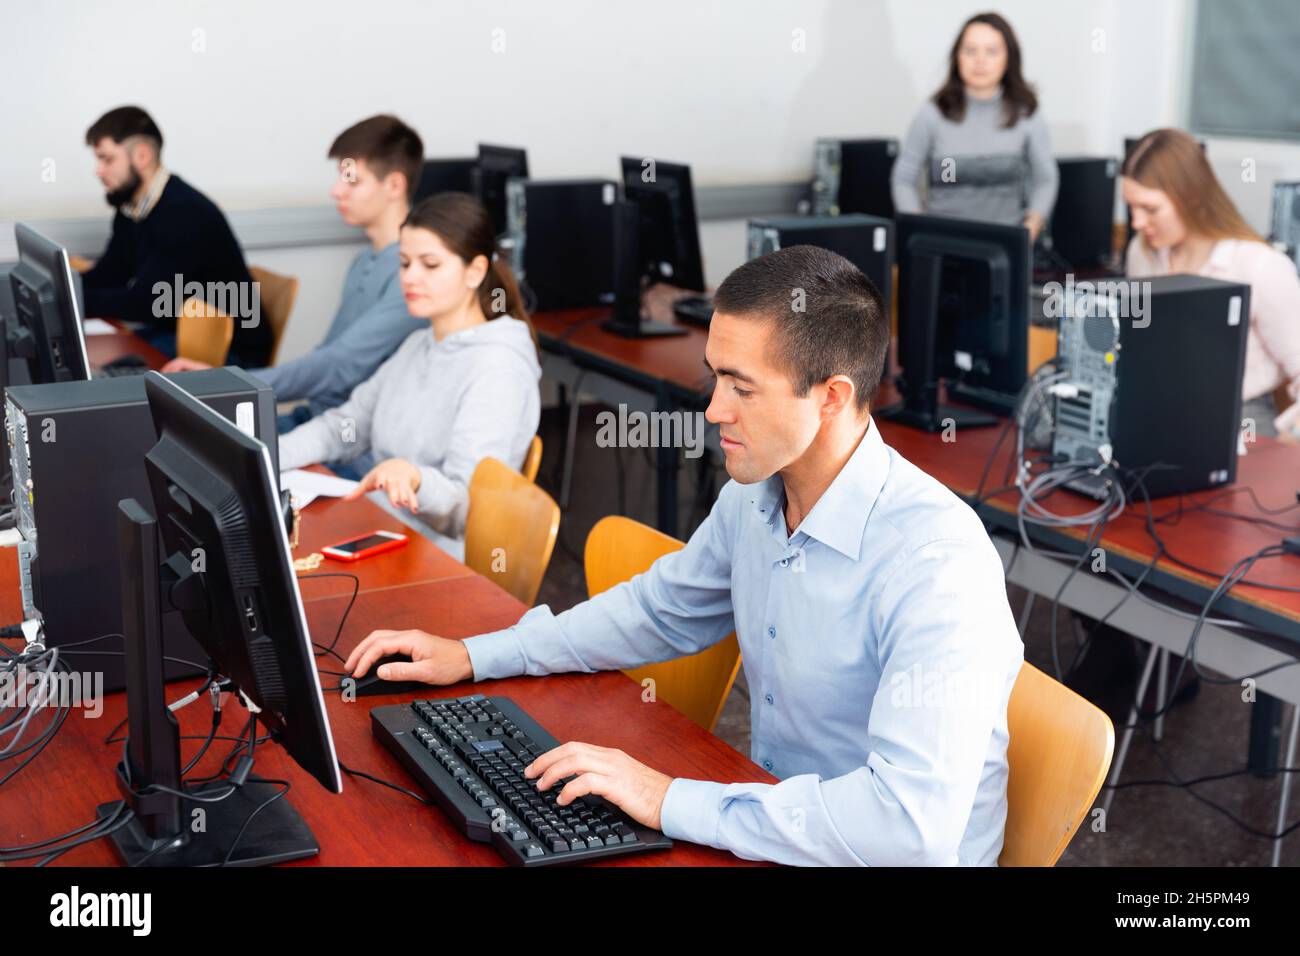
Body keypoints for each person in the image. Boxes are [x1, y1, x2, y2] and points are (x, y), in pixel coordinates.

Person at [344, 245, 1025, 866]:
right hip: (775, 825)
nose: (711, 411)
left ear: (832, 398)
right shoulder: (759, 495)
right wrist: (476, 656)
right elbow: (658, 611)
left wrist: (671, 798)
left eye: (741, 386)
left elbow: (908, 827)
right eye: (714, 378)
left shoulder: (937, 564)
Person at [277, 192, 541, 539]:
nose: (410, 278)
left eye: (430, 265)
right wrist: (268, 458)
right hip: (387, 525)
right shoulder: (419, 344)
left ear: (475, 271)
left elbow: (469, 509)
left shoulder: (498, 369)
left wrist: (415, 478)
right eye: (404, 263)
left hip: (440, 557)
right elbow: (347, 428)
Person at [164, 115, 425, 433]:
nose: (336, 191)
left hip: (347, 436)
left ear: (394, 185)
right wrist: (224, 383)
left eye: (351, 180)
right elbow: (330, 357)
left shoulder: (414, 276)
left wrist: (230, 385)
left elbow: (339, 366)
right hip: (317, 419)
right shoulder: (363, 262)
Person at [1123, 128, 1300, 439]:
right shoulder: (1142, 253)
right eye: (1131, 208)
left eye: (1150, 209)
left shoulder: (1260, 266)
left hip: (1240, 423)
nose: (1136, 223)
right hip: (1158, 413)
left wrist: (1290, 438)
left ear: (1192, 197)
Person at [81, 106, 271, 366]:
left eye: (107, 159)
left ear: (142, 155)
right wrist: (64, 291)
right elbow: (110, 274)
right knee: (100, 361)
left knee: (110, 373)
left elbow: (148, 303)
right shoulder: (132, 208)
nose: (98, 171)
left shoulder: (184, 213)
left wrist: (73, 300)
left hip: (229, 350)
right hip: (174, 330)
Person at [891, 12, 1057, 243]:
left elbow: (1046, 178)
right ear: (957, 57)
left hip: (1006, 244)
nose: (980, 60)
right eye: (970, 51)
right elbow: (903, 179)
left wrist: (1031, 227)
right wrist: (919, 230)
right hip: (942, 244)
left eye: (991, 51)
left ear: (1008, 59)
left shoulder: (1027, 114)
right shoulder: (933, 114)